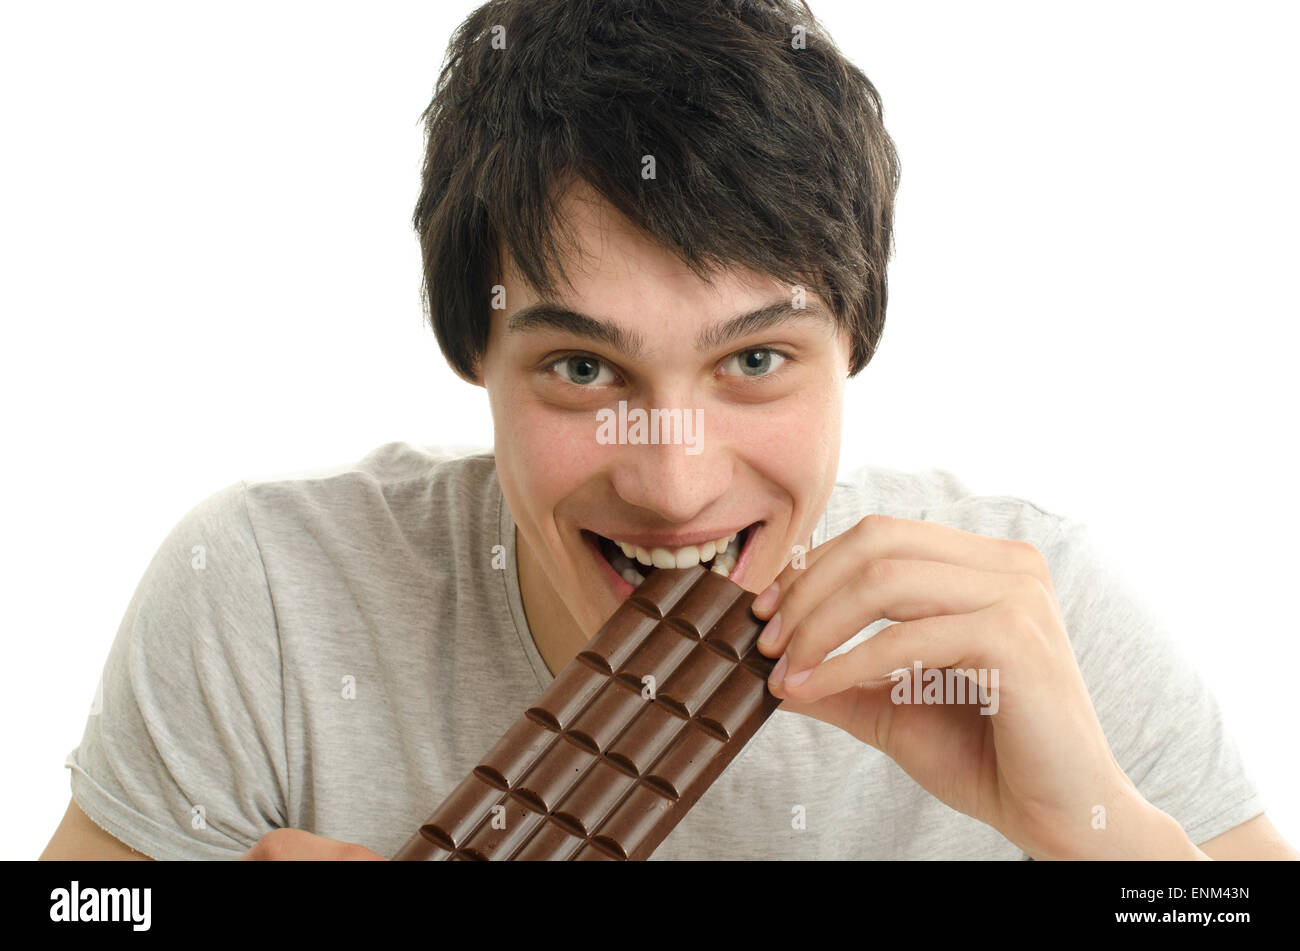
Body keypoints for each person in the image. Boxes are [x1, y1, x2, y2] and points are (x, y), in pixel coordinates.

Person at [41, 0, 1296, 861]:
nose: (674, 478)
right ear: (468, 349)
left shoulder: (1032, 622)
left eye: (756, 359)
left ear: (853, 344)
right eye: (583, 367)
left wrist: (1099, 835)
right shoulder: (266, 600)